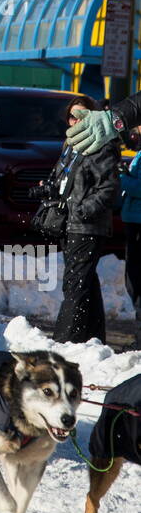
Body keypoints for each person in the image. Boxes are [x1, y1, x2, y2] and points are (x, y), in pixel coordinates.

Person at [48, 96, 121, 344]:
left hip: (87, 224)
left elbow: (108, 188)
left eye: (82, 116)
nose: (75, 121)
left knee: (75, 284)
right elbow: (64, 180)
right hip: (69, 223)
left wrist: (83, 210)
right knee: (85, 280)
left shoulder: (101, 145)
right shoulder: (70, 145)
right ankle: (93, 338)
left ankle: (66, 341)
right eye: (72, 116)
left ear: (93, 117)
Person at [119, 129, 141, 349]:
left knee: (137, 279)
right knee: (133, 280)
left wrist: (122, 177)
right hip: (133, 219)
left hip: (138, 221)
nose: (135, 132)